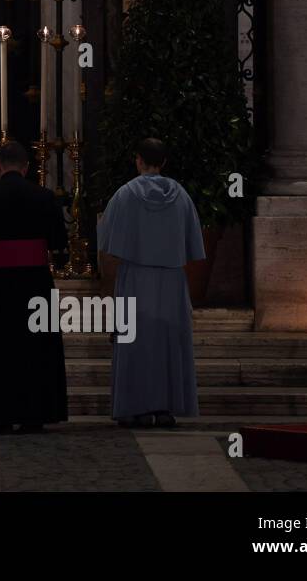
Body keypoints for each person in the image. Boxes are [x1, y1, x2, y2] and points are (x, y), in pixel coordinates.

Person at [0, 141, 69, 433]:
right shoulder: (45, 197)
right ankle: (35, 413)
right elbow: (59, 242)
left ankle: (0, 414)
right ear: (26, 168)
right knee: (36, 348)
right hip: (35, 282)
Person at [96, 137, 203, 428]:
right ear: (164, 161)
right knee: (168, 343)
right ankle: (166, 408)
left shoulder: (125, 194)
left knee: (136, 343)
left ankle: (137, 407)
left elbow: (106, 240)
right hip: (171, 279)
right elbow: (193, 242)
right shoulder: (180, 195)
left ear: (138, 160)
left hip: (135, 277)